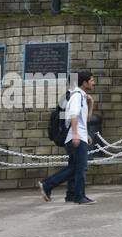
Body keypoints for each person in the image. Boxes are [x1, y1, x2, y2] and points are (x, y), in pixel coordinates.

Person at [38, 70, 96, 205]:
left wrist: (91, 104)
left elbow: (84, 119)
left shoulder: (81, 96)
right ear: (84, 82)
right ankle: (52, 186)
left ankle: (71, 195)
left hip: (79, 135)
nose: (94, 83)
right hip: (75, 137)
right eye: (92, 80)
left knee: (75, 167)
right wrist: (76, 135)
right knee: (80, 168)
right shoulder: (77, 96)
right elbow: (73, 116)